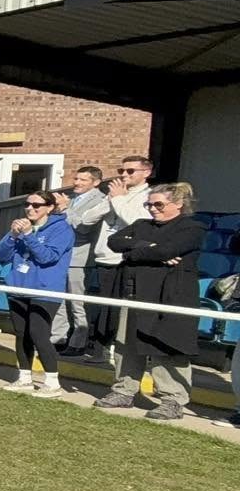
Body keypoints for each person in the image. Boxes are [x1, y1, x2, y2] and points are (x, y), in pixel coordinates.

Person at [94, 183, 206, 420]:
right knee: (127, 345)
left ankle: (173, 399)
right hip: (134, 294)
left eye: (158, 204)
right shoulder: (142, 225)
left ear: (178, 204)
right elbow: (115, 242)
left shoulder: (192, 227)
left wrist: (135, 252)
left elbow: (167, 251)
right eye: (149, 204)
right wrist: (145, 246)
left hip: (171, 297)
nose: (153, 209)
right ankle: (124, 390)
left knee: (166, 346)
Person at [0, 190, 74, 397]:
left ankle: (52, 382)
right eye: (27, 204)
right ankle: (24, 378)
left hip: (44, 289)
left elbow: (47, 257)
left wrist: (29, 236)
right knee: (21, 334)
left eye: (36, 205)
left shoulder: (62, 229)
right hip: (18, 287)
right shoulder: (21, 227)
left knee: (38, 333)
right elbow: (1, 255)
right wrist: (12, 236)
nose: (30, 208)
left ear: (49, 207)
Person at [76, 155, 154, 364]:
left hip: (127, 259)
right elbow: (87, 219)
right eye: (121, 171)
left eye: (130, 171)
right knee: (105, 308)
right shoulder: (114, 194)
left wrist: (119, 199)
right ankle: (100, 349)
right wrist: (110, 200)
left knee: (125, 309)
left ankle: (121, 353)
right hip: (105, 257)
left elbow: (138, 223)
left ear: (146, 173)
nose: (124, 175)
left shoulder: (149, 195)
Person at [56, 164, 108, 357]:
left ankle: (79, 342)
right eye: (76, 179)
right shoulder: (75, 199)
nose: (76, 183)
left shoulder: (100, 200)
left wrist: (66, 208)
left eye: (83, 180)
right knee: (60, 300)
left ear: (96, 183)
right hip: (63, 255)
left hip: (81, 257)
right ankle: (59, 338)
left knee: (78, 303)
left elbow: (83, 227)